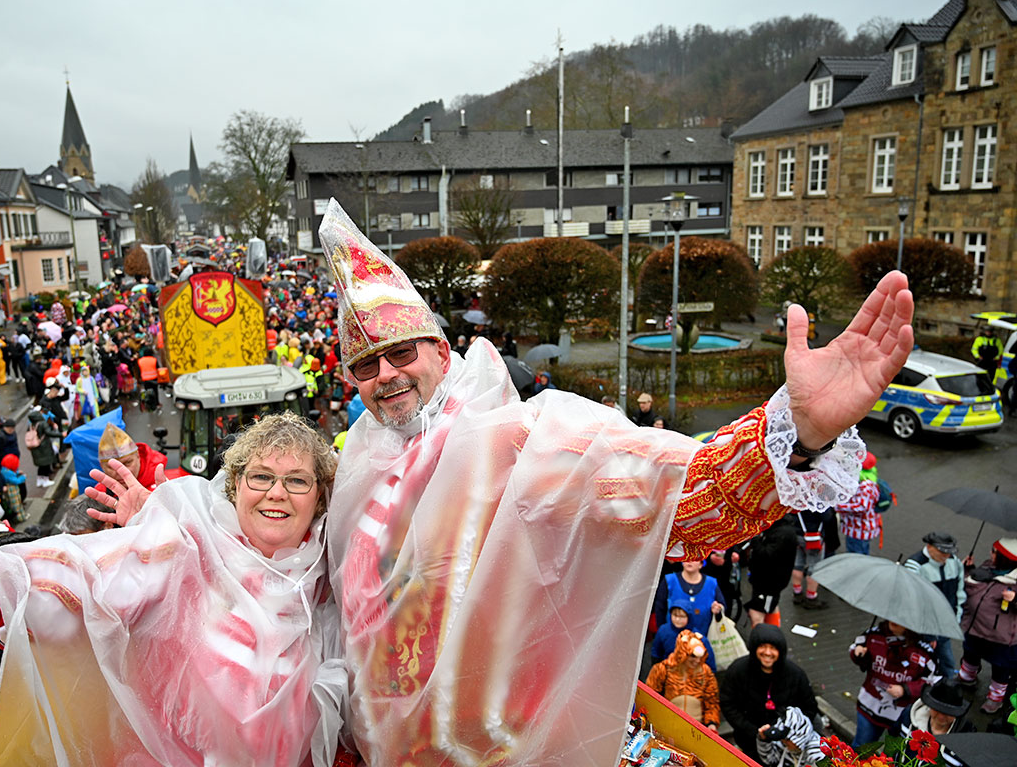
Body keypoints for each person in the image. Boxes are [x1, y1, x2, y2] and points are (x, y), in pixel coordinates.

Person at [313, 200, 910, 765]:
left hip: (507, 751)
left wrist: (796, 436)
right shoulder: (362, 466)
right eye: (367, 364)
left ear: (442, 352)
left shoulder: (522, 440)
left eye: (401, 352)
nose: (386, 375)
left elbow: (676, 495)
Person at [0, 412, 345, 767]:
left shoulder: (334, 568)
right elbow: (70, 585)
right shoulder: (184, 549)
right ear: (235, 488)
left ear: (320, 496)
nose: (276, 492)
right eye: (259, 477)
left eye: (297, 479)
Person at [720, 624, 820, 759]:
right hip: (750, 741)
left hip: (787, 745)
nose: (767, 653)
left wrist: (787, 732)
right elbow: (728, 704)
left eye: (773, 648)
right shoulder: (738, 671)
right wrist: (754, 732)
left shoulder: (795, 674)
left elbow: (809, 707)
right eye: (763, 647)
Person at [849, 620, 935, 747]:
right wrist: (858, 653)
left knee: (895, 757)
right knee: (860, 750)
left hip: (901, 715)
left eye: (902, 618)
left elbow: (931, 681)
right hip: (869, 708)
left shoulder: (923, 649)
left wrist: (905, 689)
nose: (894, 620)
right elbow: (856, 649)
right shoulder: (873, 635)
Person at [957, 538, 1017, 713]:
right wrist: (968, 569)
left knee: (1001, 668)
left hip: (1001, 636)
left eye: (994, 551)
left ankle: (995, 698)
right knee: (970, 653)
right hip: (975, 626)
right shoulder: (987, 566)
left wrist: (1014, 601)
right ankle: (967, 678)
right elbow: (969, 587)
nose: (991, 554)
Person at [905, 532, 966, 677]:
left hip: (945, 625)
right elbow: (915, 604)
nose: (945, 556)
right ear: (929, 547)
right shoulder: (915, 565)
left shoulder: (955, 562)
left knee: (946, 661)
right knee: (919, 661)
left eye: (948, 553)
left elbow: (960, 592)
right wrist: (929, 633)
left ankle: (947, 685)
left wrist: (956, 619)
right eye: (942, 552)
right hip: (921, 628)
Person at [645, 629, 720, 732]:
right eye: (692, 656)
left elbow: (711, 701)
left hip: (697, 731)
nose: (697, 661)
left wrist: (711, 723)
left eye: (699, 657)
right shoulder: (663, 669)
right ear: (682, 653)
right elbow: (650, 699)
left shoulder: (705, 672)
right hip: (668, 728)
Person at [745, 516, 800, 628]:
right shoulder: (780, 529)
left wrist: (755, 540)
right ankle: (772, 637)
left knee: (758, 613)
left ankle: (764, 641)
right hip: (766, 581)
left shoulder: (782, 533)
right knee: (771, 606)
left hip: (768, 584)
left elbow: (767, 555)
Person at [653, 559, 725, 636]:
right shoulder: (669, 580)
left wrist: (717, 609)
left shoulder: (711, 583)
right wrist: (662, 632)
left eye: (695, 559)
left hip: (703, 637)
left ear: (701, 564)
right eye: (687, 558)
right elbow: (660, 608)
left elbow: (722, 606)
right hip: (673, 637)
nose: (689, 561)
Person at [96, 422, 167, 491]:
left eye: (127, 463)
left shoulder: (164, 486)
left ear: (138, 456)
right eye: (112, 467)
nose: (121, 471)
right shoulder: (98, 493)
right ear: (101, 466)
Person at [836, 452, 882, 555]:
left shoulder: (865, 486)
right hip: (861, 529)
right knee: (862, 553)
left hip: (859, 530)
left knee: (856, 556)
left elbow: (861, 507)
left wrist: (838, 506)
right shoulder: (870, 480)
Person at [649, 605, 716, 672]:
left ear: (689, 617)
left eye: (682, 616)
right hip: (669, 672)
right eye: (675, 615)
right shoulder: (663, 630)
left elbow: (709, 661)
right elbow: (656, 653)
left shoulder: (697, 637)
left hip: (692, 674)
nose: (678, 619)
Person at [900, 679, 974, 737]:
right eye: (937, 710)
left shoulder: (968, 732)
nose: (941, 716)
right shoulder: (908, 715)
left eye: (948, 713)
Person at [791, 510, 829, 609]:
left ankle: (797, 593)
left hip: (797, 535)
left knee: (797, 565)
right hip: (814, 537)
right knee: (814, 568)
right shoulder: (818, 501)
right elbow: (827, 517)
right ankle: (811, 598)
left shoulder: (795, 499)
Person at [26, 409, 57, 488]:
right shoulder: (43, 424)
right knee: (46, 465)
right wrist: (60, 434)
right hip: (44, 448)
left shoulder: (30, 425)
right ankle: (45, 481)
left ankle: (39, 481)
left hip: (35, 448)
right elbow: (49, 433)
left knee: (41, 466)